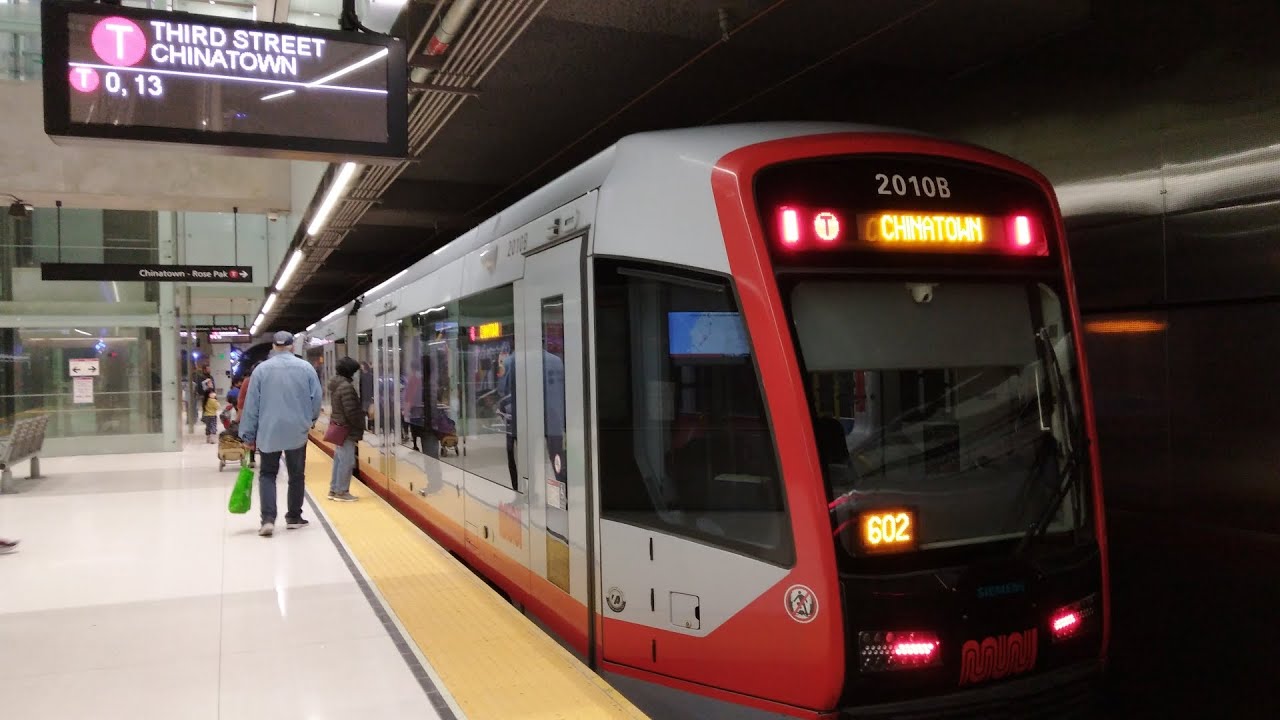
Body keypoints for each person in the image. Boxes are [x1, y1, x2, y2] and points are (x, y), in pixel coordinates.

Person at [239, 332, 323, 537]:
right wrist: (310, 421)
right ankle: (294, 517)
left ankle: (267, 520)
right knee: (297, 474)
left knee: (267, 474)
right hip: (297, 430)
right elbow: (317, 398)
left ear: (274, 347)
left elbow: (252, 406)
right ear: (292, 347)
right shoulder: (306, 368)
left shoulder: (261, 370)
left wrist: (248, 436)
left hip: (269, 430)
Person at [326, 357, 364, 502]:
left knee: (339, 459)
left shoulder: (337, 385)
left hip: (339, 427)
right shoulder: (346, 387)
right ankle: (342, 491)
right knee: (347, 461)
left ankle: (334, 489)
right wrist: (360, 424)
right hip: (346, 429)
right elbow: (351, 412)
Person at [237, 363, 257, 467]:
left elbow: (241, 400)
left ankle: (251, 459)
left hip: (249, 413)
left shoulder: (247, 381)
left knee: (250, 436)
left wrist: (239, 416)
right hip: (264, 415)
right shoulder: (269, 381)